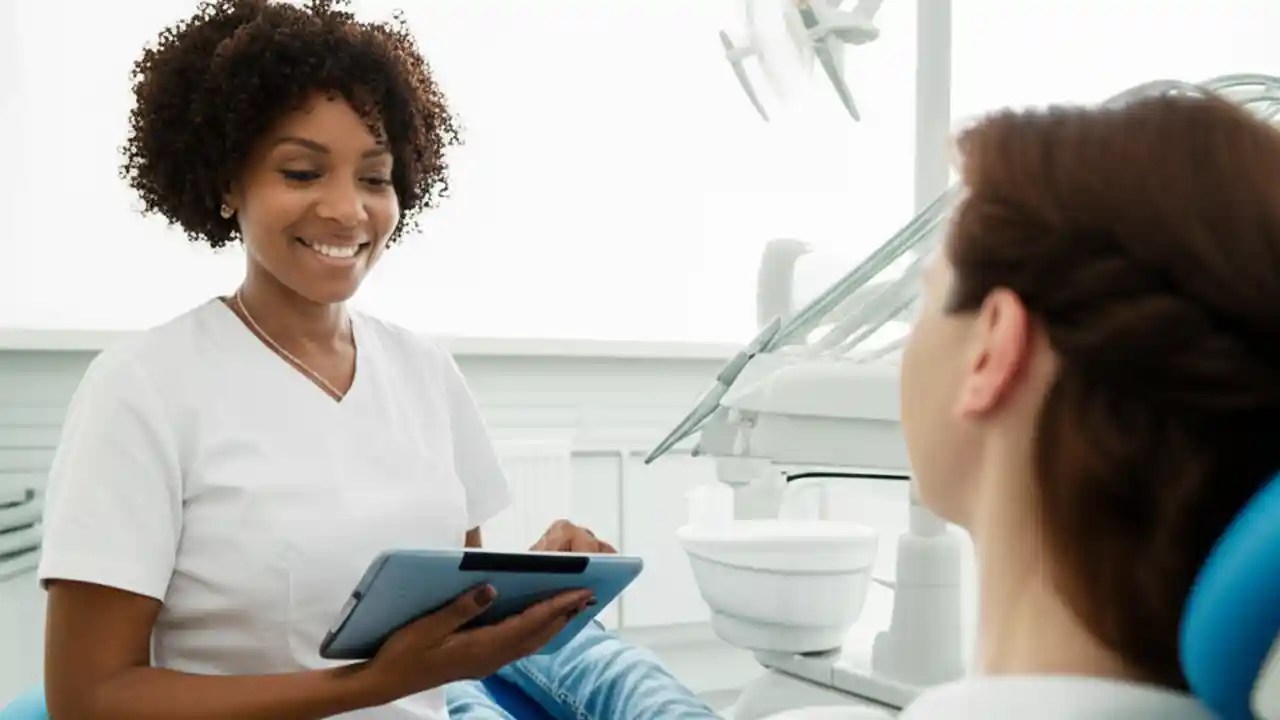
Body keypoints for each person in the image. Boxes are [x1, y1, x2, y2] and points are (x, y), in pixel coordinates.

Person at [36, 1, 664, 718]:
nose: (347, 210)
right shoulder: (143, 386)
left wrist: (534, 586)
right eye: (302, 172)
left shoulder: (425, 372)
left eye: (374, 178)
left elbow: (451, 624)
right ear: (227, 181)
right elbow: (88, 698)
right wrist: (369, 684)